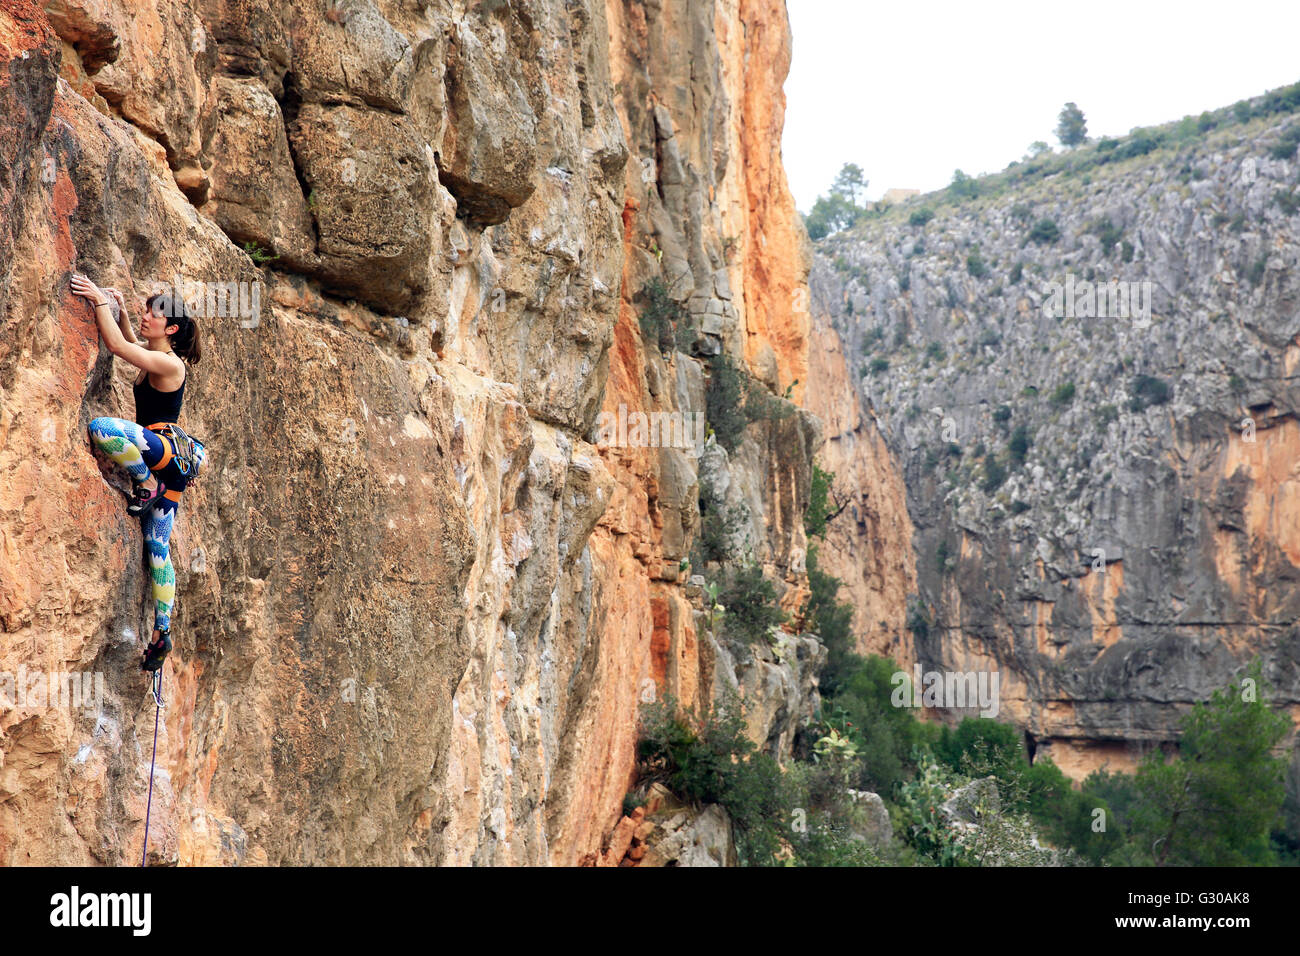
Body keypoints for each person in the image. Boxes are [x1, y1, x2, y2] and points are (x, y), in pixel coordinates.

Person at [71, 273, 205, 672]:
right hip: (170, 468)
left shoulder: (169, 363)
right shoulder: (158, 355)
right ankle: (162, 629)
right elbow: (130, 343)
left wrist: (97, 301)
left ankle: (143, 482)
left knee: (102, 429)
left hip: (160, 454)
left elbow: (116, 346)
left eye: (152, 314)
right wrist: (125, 316)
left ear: (172, 327)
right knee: (157, 547)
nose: (145, 317)